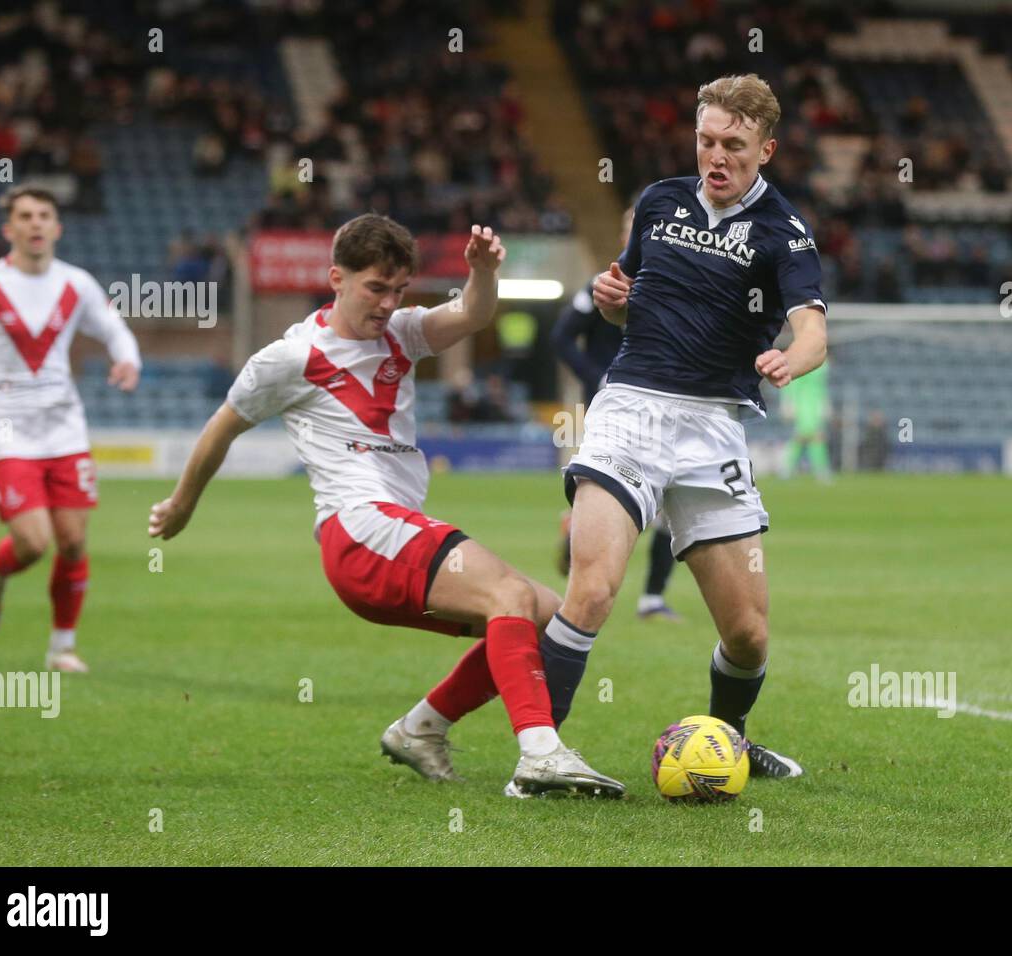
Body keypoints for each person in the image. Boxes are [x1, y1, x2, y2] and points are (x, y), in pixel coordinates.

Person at [147, 214, 622, 798]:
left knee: (549, 616)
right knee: (511, 594)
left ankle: (421, 729)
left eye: (398, 290)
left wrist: (482, 273)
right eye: (376, 287)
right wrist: (181, 505)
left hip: (390, 534)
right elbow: (221, 429)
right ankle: (540, 754)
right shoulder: (291, 357)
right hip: (360, 530)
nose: (387, 303)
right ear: (337, 278)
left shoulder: (402, 332)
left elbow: (472, 314)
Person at [546, 74, 828, 778]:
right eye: (706, 140)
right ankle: (540, 752)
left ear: (765, 148)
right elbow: (624, 304)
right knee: (592, 589)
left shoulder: (784, 234)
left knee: (750, 634)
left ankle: (727, 739)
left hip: (713, 431)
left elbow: (814, 332)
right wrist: (613, 301)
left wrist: (793, 359)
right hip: (630, 408)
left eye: (734, 145)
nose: (716, 157)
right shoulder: (659, 202)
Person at [0, 187, 142, 671]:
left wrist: (127, 358)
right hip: (5, 432)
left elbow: (111, 327)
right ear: (9, 229)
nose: (36, 223)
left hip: (64, 429)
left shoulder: (75, 283)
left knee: (74, 541)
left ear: (57, 227)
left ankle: (62, 646)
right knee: (33, 542)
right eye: (25, 216)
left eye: (44, 215)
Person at [551, 204, 680, 620]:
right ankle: (579, 576)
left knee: (668, 506)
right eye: (634, 228)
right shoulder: (600, 285)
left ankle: (652, 598)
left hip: (663, 414)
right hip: (608, 416)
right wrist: (597, 377)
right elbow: (561, 338)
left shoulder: (677, 292)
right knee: (603, 499)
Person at [779, 359, 832, 481]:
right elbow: (790, 382)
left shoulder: (821, 364)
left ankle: (788, 468)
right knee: (811, 437)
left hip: (814, 402)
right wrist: (788, 402)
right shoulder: (801, 361)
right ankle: (819, 469)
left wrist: (824, 403)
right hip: (801, 402)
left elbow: (821, 386)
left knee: (808, 437)